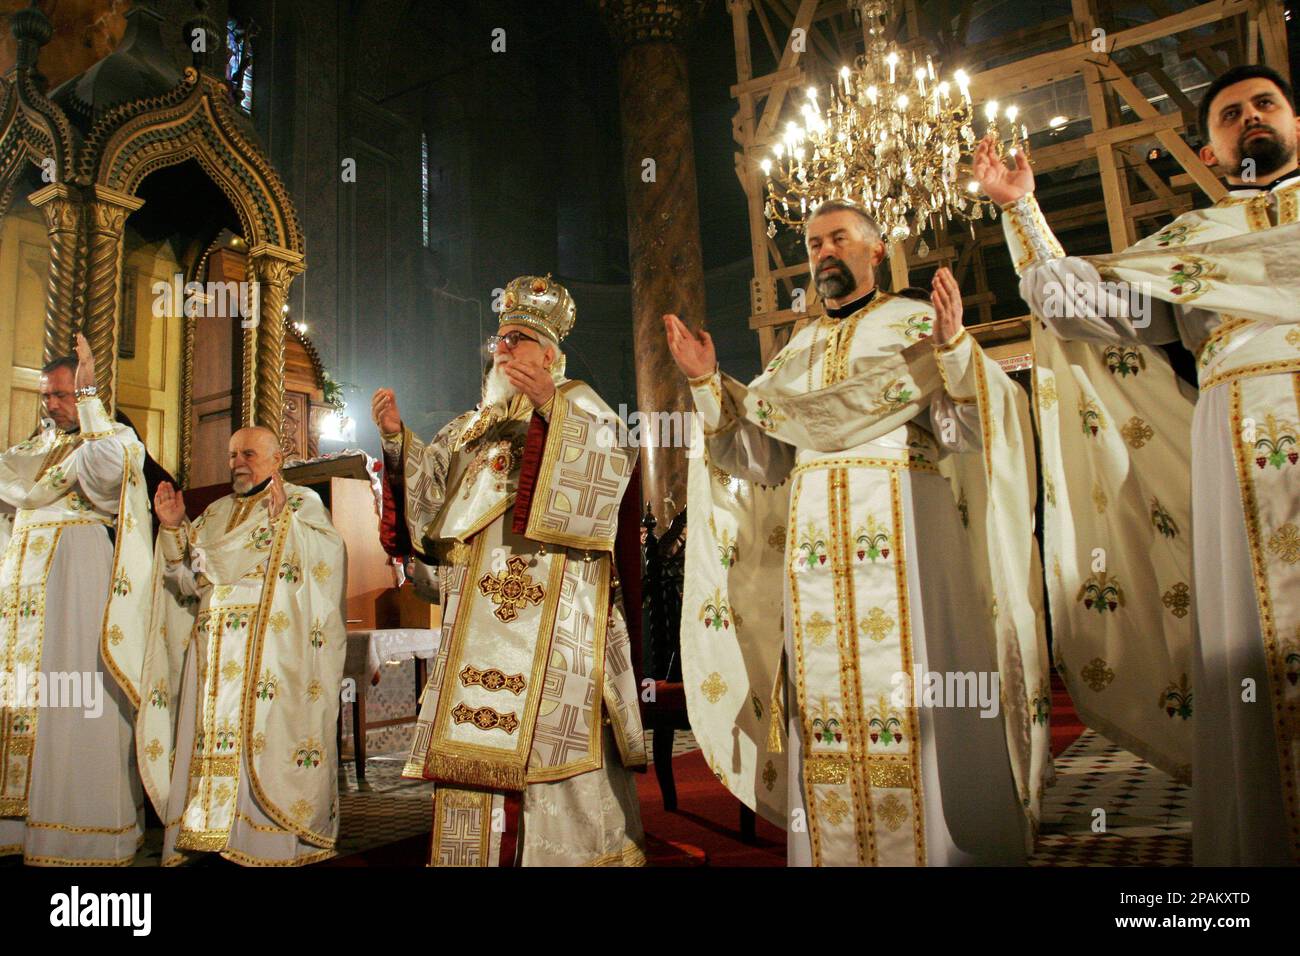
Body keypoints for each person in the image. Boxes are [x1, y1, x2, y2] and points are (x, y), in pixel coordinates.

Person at [976, 63, 1300, 865]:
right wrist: (1022, 211)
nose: (1250, 117)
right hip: (1238, 457)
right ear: (1211, 149)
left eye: (1266, 104)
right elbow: (1078, 306)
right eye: (1230, 114)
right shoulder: (1193, 246)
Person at [666, 201, 1051, 865]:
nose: (823, 253)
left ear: (875, 250)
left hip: (913, 544)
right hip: (814, 564)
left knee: (924, 699)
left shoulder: (918, 326)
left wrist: (958, 353)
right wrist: (706, 384)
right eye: (814, 243)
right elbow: (755, 459)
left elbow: (969, 435)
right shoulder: (795, 355)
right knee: (826, 714)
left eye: (838, 238)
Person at [373, 274, 647, 866]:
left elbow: (607, 470)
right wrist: (397, 443)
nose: (503, 347)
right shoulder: (475, 424)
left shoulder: (579, 404)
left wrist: (550, 405)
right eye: (499, 337)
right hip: (475, 623)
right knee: (468, 749)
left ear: (549, 353)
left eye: (518, 338)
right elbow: (427, 505)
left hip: (552, 615)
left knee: (551, 749)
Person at [139, 426, 347, 866]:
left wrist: (285, 523)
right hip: (212, 652)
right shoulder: (214, 514)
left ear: (277, 458)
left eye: (249, 454)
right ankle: (210, 834)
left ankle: (263, 842)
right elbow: (186, 584)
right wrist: (174, 529)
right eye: (233, 454)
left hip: (269, 649)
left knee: (266, 743)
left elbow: (326, 562)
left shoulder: (301, 503)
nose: (238, 463)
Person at [0, 334, 152, 865]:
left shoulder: (110, 439)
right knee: (26, 701)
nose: (53, 404)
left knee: (73, 695)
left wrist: (91, 396)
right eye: (48, 395)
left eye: (63, 393)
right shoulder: (34, 448)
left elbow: (110, 475)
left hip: (74, 580)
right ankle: (16, 827)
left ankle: (78, 829)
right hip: (22, 587)